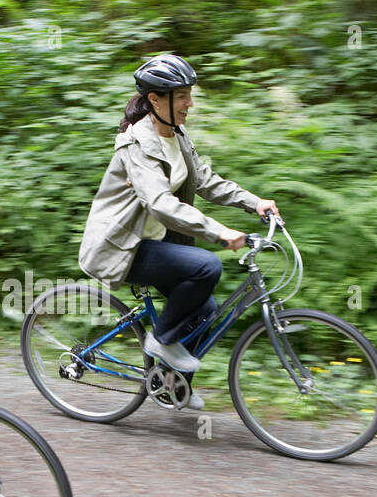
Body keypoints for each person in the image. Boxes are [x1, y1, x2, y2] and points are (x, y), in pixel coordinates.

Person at [77, 54, 279, 408]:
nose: (190, 103)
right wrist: (218, 231)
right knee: (207, 267)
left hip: (155, 240)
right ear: (156, 100)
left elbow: (205, 181)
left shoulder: (177, 135)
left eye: (189, 94)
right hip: (123, 244)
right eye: (182, 95)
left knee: (205, 307)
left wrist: (253, 201)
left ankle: (172, 387)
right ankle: (161, 339)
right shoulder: (136, 144)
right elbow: (160, 203)